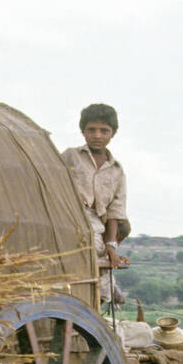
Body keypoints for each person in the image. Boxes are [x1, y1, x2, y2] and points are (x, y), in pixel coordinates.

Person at [61, 103, 130, 306]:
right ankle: (104, 288)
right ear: (83, 131)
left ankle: (102, 293)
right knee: (91, 240)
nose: (97, 135)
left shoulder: (116, 169)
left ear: (113, 133)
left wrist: (111, 245)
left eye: (104, 131)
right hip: (70, 217)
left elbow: (116, 210)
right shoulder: (70, 157)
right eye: (92, 130)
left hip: (99, 223)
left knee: (116, 232)